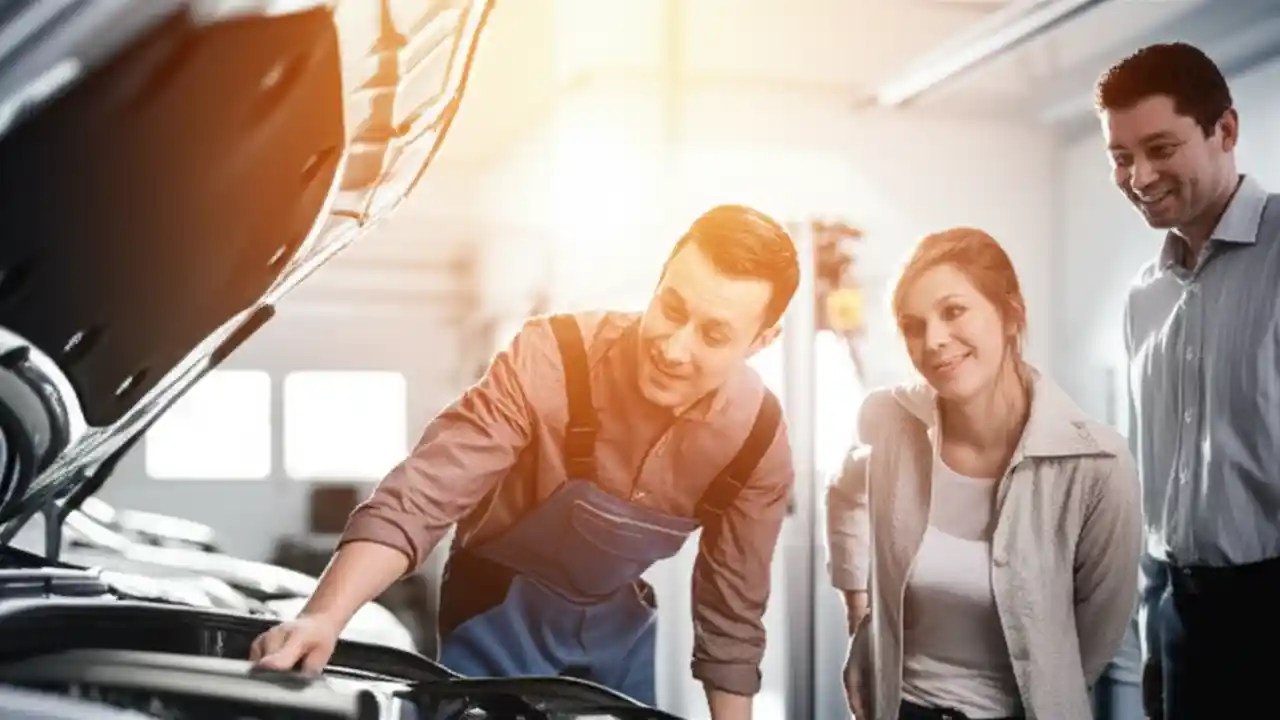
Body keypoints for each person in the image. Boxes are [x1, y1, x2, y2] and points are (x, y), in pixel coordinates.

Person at [248, 204, 801, 719]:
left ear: (762, 340)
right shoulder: (554, 357)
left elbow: (731, 614)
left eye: (714, 334)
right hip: (495, 612)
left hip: (621, 630)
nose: (674, 348)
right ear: (658, 281)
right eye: (672, 308)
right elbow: (426, 492)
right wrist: (325, 616)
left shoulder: (757, 440)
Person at [825, 228, 1141, 720]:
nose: (933, 341)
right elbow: (844, 492)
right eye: (913, 325)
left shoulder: (1096, 464)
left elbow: (1097, 640)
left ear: (1011, 315)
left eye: (953, 312)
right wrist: (860, 614)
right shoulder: (892, 422)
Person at [1095, 42, 1280, 720]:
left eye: (1161, 148)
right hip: (1180, 615)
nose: (1140, 175)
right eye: (1121, 156)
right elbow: (1156, 480)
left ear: (1224, 131)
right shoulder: (1144, 297)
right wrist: (1153, 627)